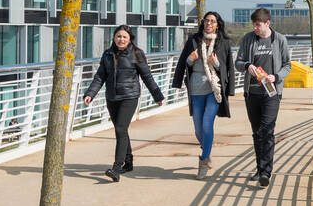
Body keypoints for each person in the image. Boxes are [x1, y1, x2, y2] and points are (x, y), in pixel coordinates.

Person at [84, 25, 164, 182]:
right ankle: (128, 162)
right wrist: (90, 94)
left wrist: (157, 95)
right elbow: (100, 76)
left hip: (130, 96)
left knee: (120, 129)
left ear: (130, 39)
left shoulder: (137, 54)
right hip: (112, 97)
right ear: (114, 38)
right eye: (118, 36)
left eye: (124, 37)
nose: (121, 39)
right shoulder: (107, 54)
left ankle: (116, 167)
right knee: (121, 130)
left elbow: (147, 76)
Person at [172, 11, 236, 180]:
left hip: (214, 88)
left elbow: (228, 67)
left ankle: (202, 161)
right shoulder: (193, 40)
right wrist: (190, 60)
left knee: (208, 124)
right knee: (199, 130)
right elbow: (183, 63)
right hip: (196, 87)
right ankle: (207, 154)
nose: (209, 23)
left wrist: (215, 63)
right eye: (206, 20)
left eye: (212, 21)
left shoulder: (224, 43)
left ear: (217, 25)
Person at [236, 7, 291, 187]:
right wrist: (246, 66)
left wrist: (276, 77)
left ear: (267, 23)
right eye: (254, 25)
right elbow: (238, 62)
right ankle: (260, 169)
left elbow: (287, 65)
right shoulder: (248, 39)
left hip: (272, 93)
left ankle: (266, 172)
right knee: (257, 132)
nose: (255, 28)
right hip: (252, 92)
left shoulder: (280, 40)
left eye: (258, 25)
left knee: (267, 130)